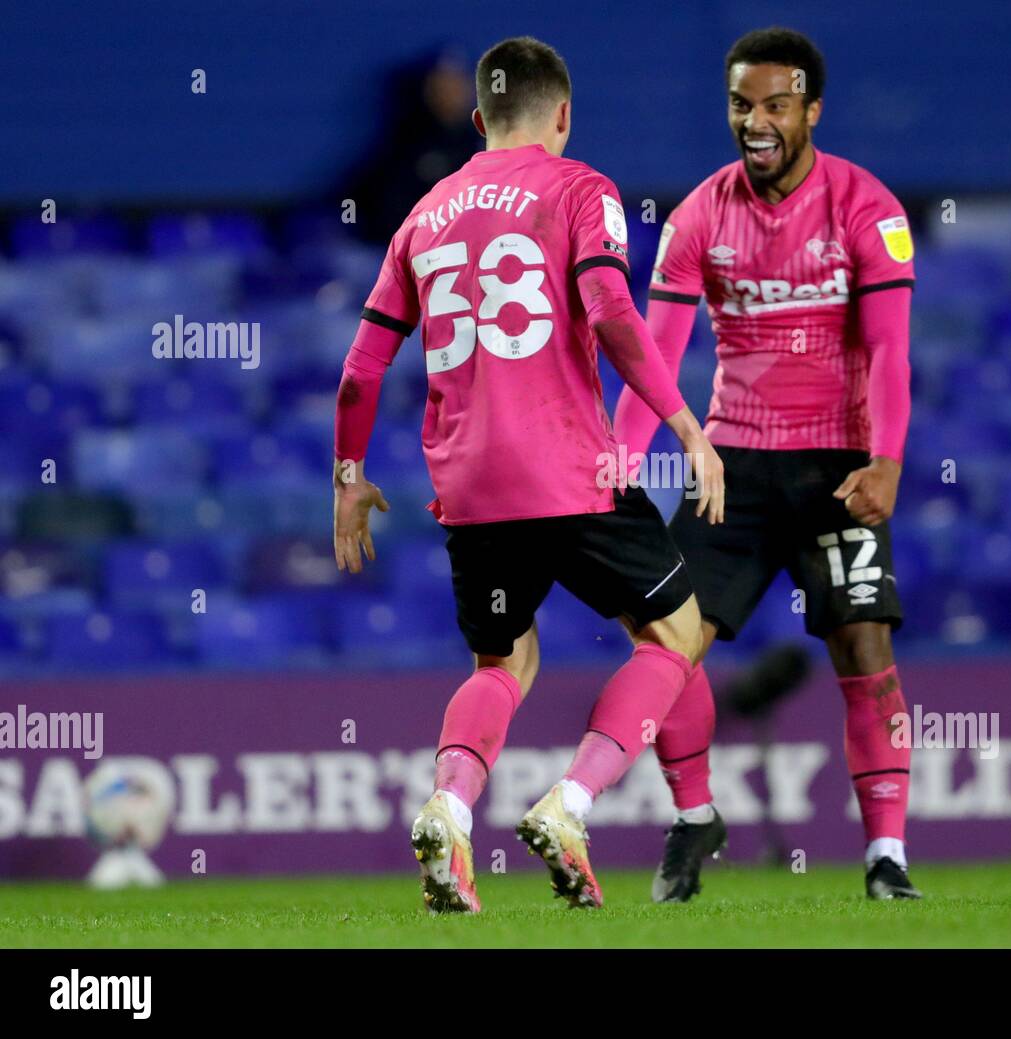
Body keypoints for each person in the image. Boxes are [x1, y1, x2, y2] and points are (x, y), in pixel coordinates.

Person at [332, 36, 725, 913]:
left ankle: (449, 807)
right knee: (676, 635)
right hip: (570, 468)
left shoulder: (424, 211)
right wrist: (683, 423)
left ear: (477, 121)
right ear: (563, 115)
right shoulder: (583, 189)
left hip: (469, 487)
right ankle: (571, 801)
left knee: (502, 662)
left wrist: (349, 477)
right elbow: (613, 309)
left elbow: (361, 369)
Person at [613, 26, 920, 901]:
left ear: (811, 110)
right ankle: (694, 818)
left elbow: (891, 354)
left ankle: (886, 858)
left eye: (775, 104)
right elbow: (654, 359)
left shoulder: (869, 209)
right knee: (665, 648)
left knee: (865, 650)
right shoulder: (697, 218)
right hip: (734, 470)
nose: (757, 120)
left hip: (837, 467)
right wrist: (617, 464)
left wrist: (889, 460)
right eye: (742, 104)